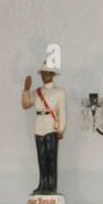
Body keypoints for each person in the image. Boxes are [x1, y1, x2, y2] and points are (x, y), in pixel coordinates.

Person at [21, 53, 66, 194]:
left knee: (51, 158)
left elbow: (62, 112)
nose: (44, 76)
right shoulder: (37, 92)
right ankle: (42, 184)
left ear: (52, 75)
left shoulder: (59, 92)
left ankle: (51, 186)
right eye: (43, 73)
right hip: (39, 126)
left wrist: (61, 130)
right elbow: (26, 104)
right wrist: (26, 89)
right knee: (41, 157)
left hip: (51, 126)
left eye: (47, 73)